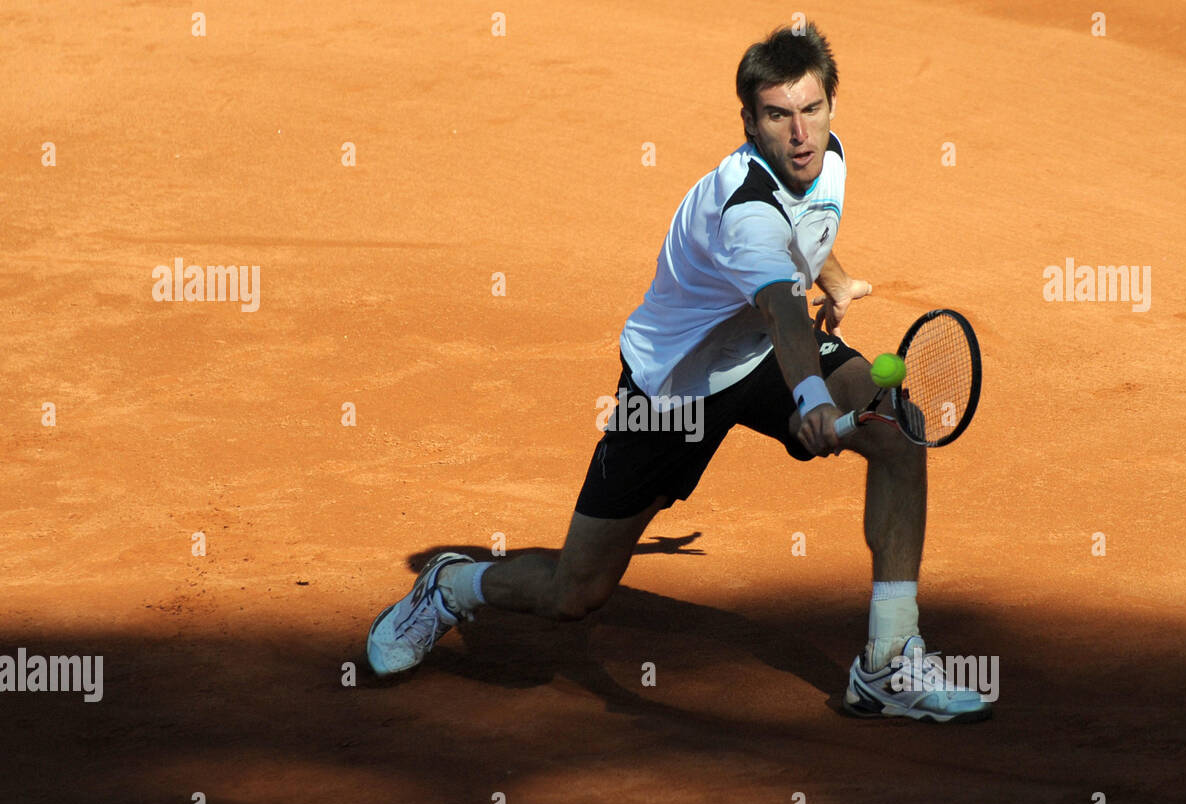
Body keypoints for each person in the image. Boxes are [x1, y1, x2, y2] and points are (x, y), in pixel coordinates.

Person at [367, 23, 990, 723]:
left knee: (896, 432)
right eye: (778, 116)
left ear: (831, 109)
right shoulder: (742, 209)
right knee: (577, 591)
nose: (800, 134)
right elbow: (786, 312)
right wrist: (812, 396)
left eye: (812, 111)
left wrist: (835, 280)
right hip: (674, 389)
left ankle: (887, 660)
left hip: (754, 355)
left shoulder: (828, 160)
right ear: (749, 123)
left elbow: (808, 233)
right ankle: (452, 585)